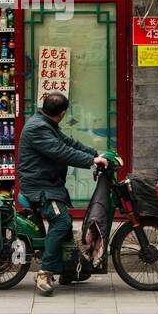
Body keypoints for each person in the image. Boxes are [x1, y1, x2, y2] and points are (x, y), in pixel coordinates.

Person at [18, 92, 108, 296]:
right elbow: (61, 151)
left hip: (49, 185)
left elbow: (70, 144)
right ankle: (44, 273)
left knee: (66, 229)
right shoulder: (39, 128)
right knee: (62, 222)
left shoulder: (45, 123)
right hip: (39, 187)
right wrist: (91, 162)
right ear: (63, 113)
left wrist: (96, 154)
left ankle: (67, 271)